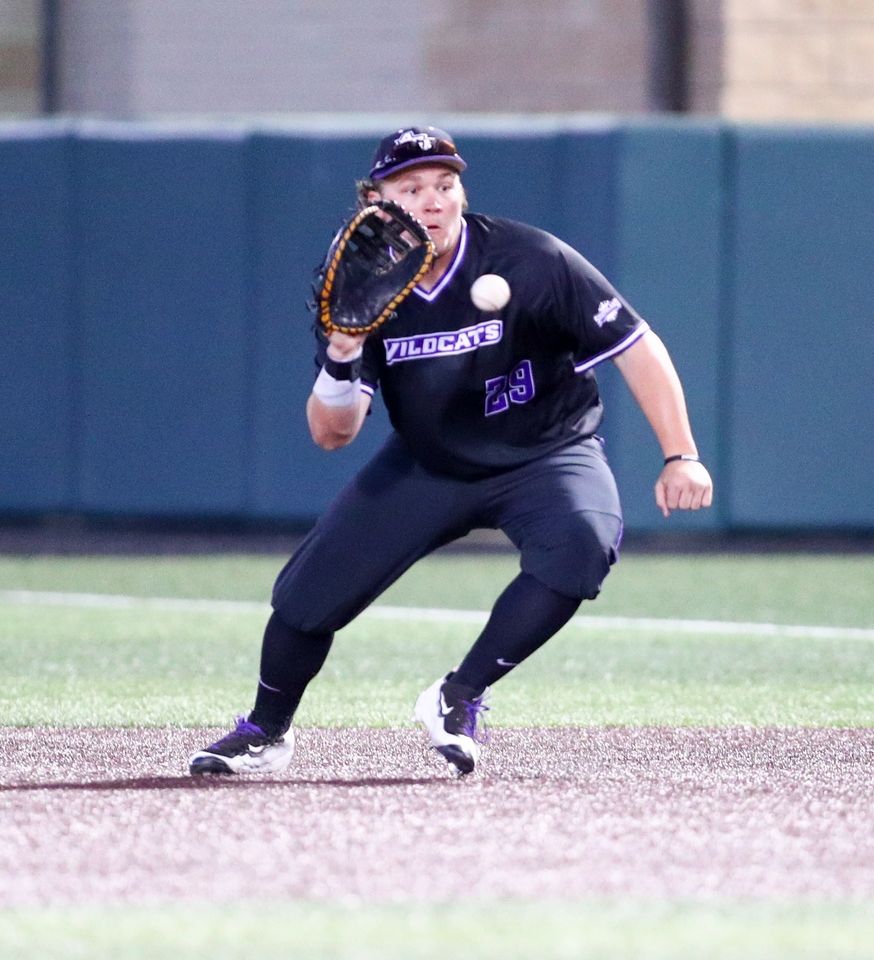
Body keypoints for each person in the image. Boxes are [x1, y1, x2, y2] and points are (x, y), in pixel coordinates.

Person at [189, 126, 713, 777]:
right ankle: (266, 732)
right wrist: (342, 351)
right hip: (430, 461)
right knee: (303, 601)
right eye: (412, 188)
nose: (434, 201)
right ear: (374, 201)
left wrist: (680, 453)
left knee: (582, 545)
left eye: (445, 184)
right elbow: (332, 433)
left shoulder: (532, 258)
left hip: (544, 453)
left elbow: (636, 343)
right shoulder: (357, 281)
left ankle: (458, 695)